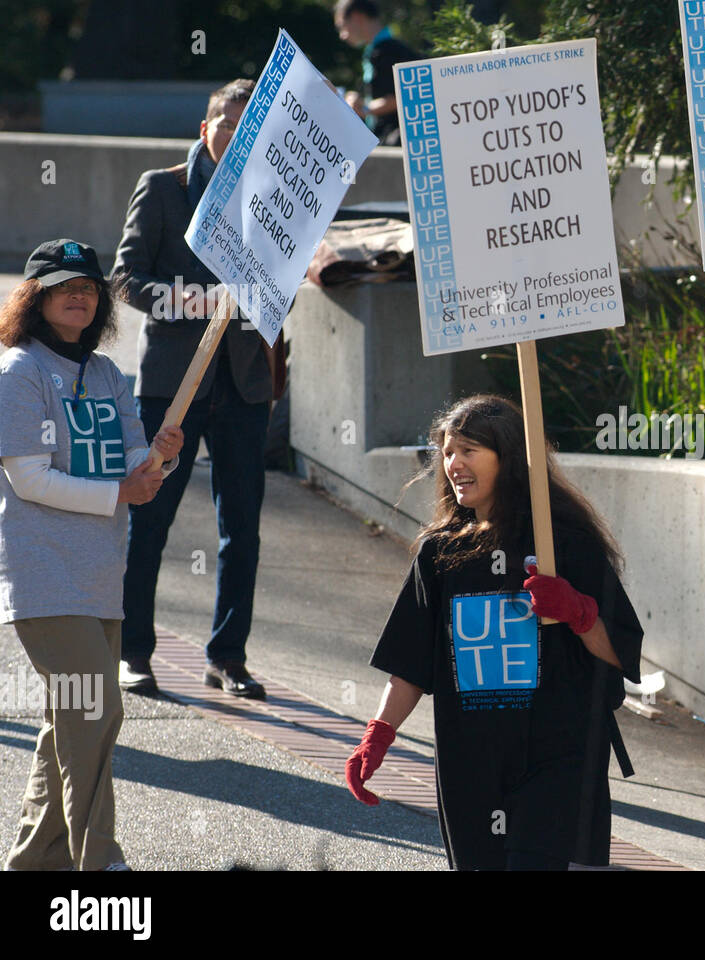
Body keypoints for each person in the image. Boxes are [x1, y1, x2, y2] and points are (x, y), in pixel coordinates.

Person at [344, 394, 643, 870]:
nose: (453, 463)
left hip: (558, 758)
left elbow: (621, 652)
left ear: (509, 458)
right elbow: (409, 667)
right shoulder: (437, 556)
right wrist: (377, 736)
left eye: (469, 451)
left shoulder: (565, 544)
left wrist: (579, 612)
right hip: (471, 766)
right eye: (447, 451)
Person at [0, 239, 183, 871]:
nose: (79, 293)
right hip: (44, 578)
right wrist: (122, 492)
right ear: (36, 298)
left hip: (102, 575)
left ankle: (32, 863)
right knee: (96, 711)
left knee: (69, 727)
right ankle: (101, 862)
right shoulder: (18, 372)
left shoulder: (105, 372)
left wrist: (161, 455)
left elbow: (135, 463)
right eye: (62, 285)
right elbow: (30, 479)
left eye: (89, 285)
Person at [111, 78, 277, 700]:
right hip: (172, 384)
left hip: (243, 384)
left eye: (250, 128)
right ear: (204, 128)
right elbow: (126, 277)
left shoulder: (272, 201)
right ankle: (133, 651)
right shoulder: (162, 188)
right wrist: (185, 300)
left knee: (243, 530)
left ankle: (228, 658)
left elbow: (280, 286)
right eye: (228, 124)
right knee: (149, 519)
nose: (238, 137)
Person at [334, 0, 422, 146]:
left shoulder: (390, 50)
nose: (342, 35)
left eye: (342, 26)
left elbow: (402, 96)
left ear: (357, 17)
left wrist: (365, 109)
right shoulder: (377, 51)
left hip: (398, 141)